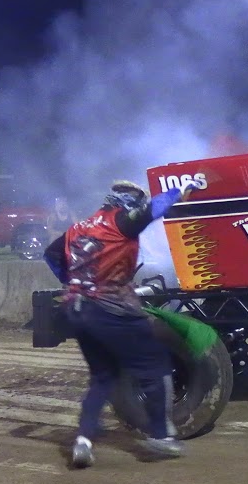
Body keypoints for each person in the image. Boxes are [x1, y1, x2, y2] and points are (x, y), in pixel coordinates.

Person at [44, 179, 198, 469]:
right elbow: (154, 209)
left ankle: (83, 441)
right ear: (127, 203)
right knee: (155, 369)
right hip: (113, 310)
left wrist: (72, 281)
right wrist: (180, 190)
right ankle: (161, 437)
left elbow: (51, 255)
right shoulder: (121, 222)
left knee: (103, 378)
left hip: (78, 310)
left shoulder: (79, 227)